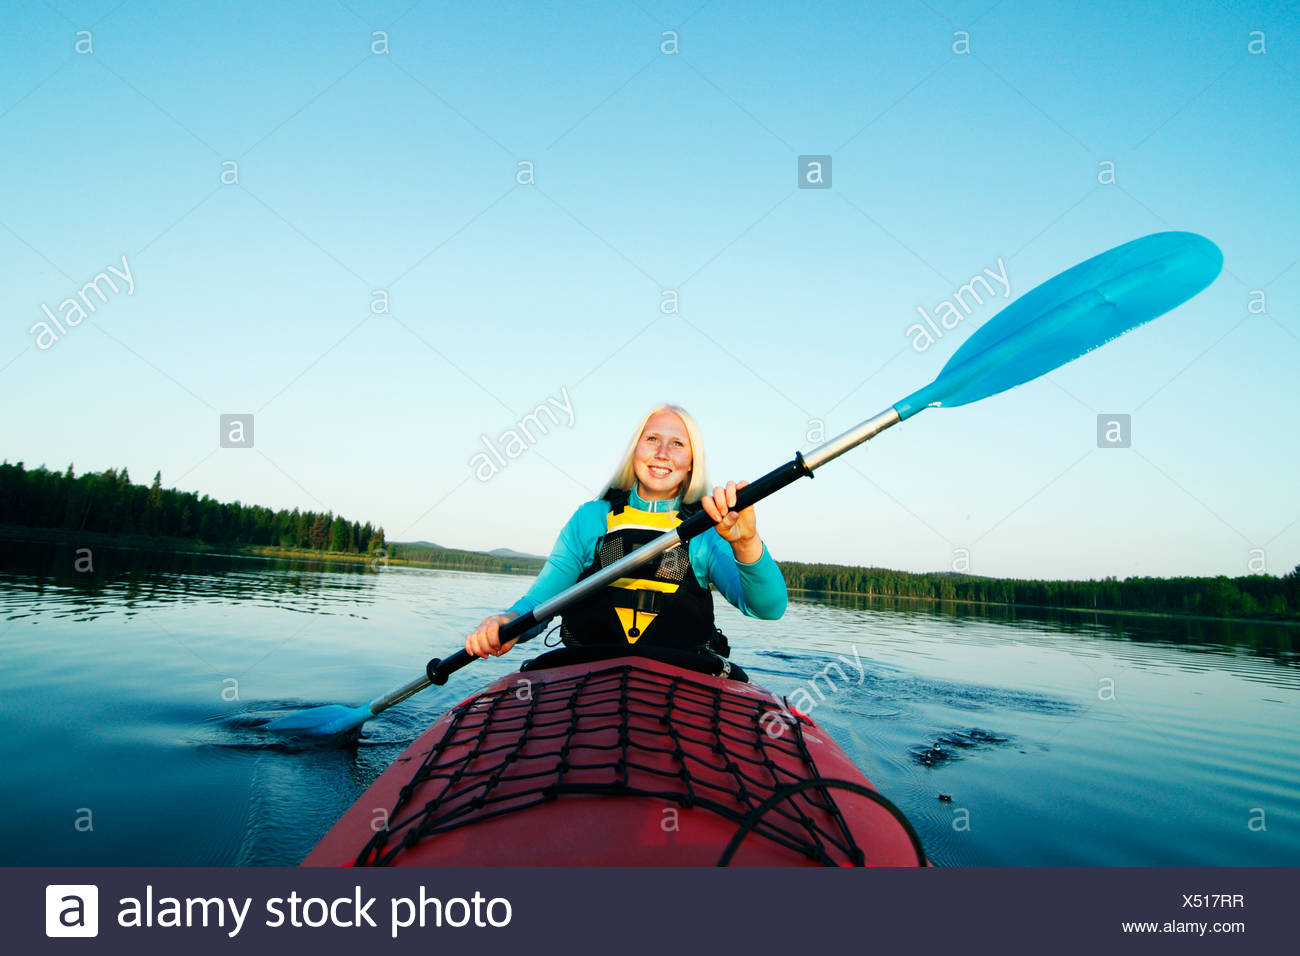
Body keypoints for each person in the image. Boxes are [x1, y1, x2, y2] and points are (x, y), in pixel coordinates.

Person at [465, 404, 787, 659]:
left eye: (677, 443)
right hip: (591, 681)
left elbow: (769, 608)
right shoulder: (590, 519)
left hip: (679, 684)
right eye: (652, 439)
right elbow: (540, 602)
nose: (662, 452)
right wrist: (505, 622)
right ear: (636, 450)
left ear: (691, 462)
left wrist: (746, 542)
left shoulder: (707, 527)